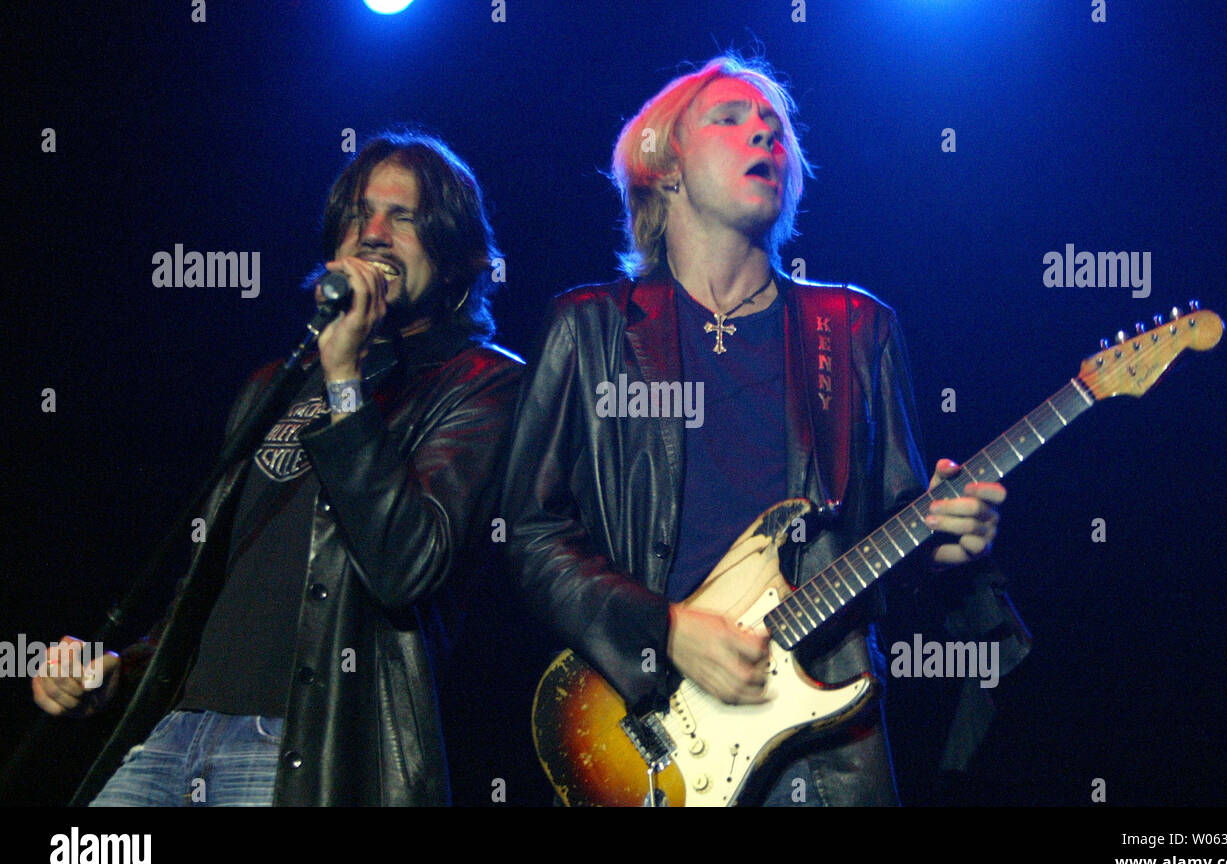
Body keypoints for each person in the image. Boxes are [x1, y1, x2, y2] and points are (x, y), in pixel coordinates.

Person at [503, 56, 1029, 806]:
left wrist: (947, 539)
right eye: (731, 118)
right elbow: (527, 533)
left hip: (828, 752)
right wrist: (664, 630)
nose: (765, 133)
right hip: (649, 734)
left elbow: (894, 540)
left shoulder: (854, 328)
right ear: (666, 166)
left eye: (775, 127)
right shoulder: (589, 329)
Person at [32, 131, 523, 806]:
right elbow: (214, 581)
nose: (373, 233)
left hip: (296, 750)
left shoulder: (480, 382)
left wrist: (346, 378)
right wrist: (122, 668)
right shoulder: (276, 381)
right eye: (358, 215)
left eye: (403, 217)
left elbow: (406, 562)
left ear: (456, 252)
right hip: (173, 734)